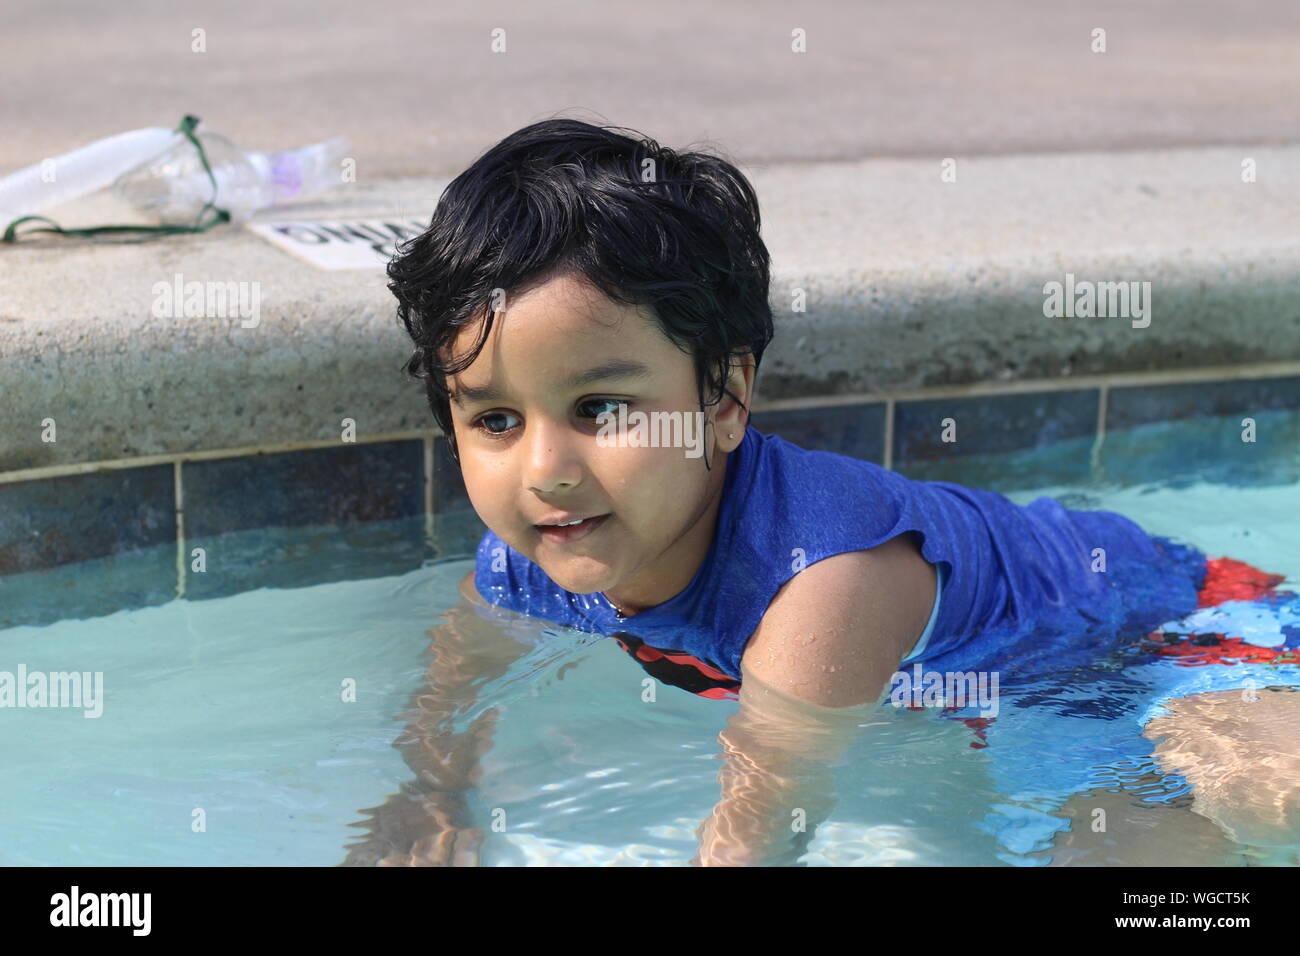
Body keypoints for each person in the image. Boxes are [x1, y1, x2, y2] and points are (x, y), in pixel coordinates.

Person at [361, 117, 1296, 866]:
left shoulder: (821, 580)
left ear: (725, 396)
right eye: (494, 421)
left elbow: (766, 818)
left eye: (600, 407)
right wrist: (429, 798)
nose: (544, 469)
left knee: (1262, 802)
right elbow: (455, 685)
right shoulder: (539, 543)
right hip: (1012, 698)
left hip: (1184, 642)